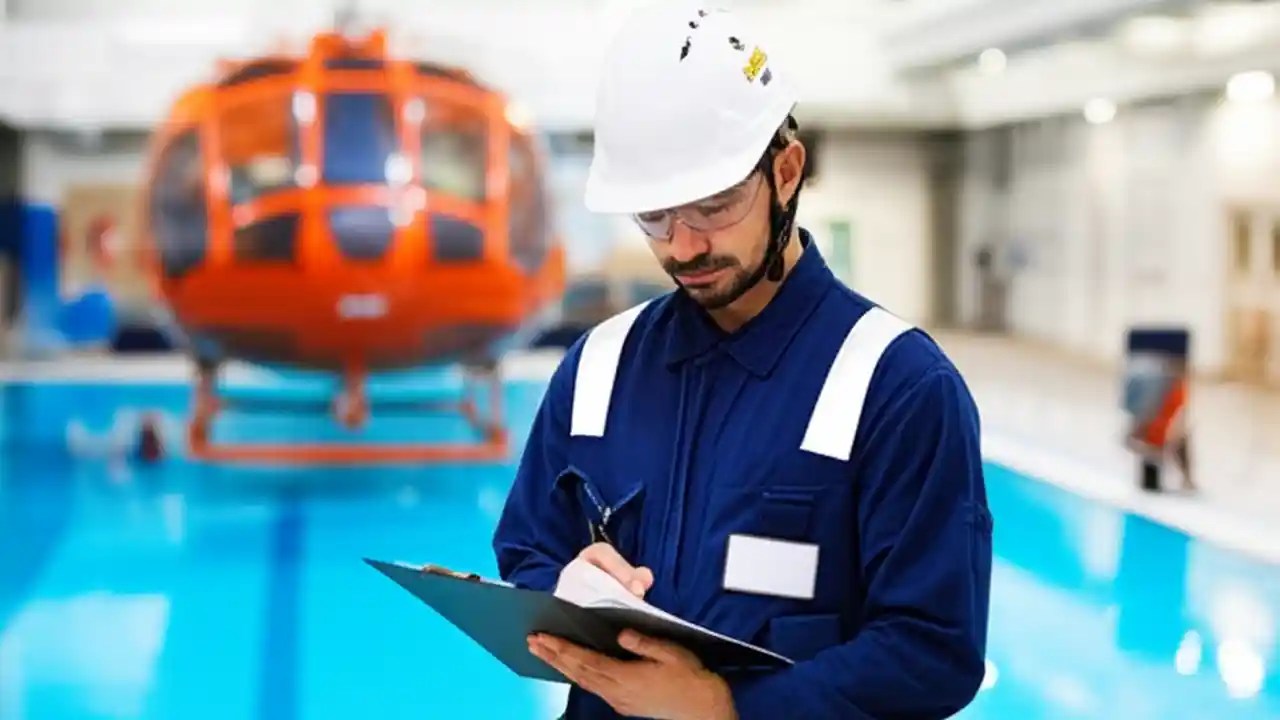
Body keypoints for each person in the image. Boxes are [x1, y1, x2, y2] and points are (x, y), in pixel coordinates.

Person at [491, 2, 993, 718]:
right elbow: (528, 548)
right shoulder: (598, 365)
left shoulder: (899, 387)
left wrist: (726, 709)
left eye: (713, 206)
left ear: (786, 173)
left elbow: (932, 652)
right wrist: (566, 582)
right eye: (655, 216)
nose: (683, 246)